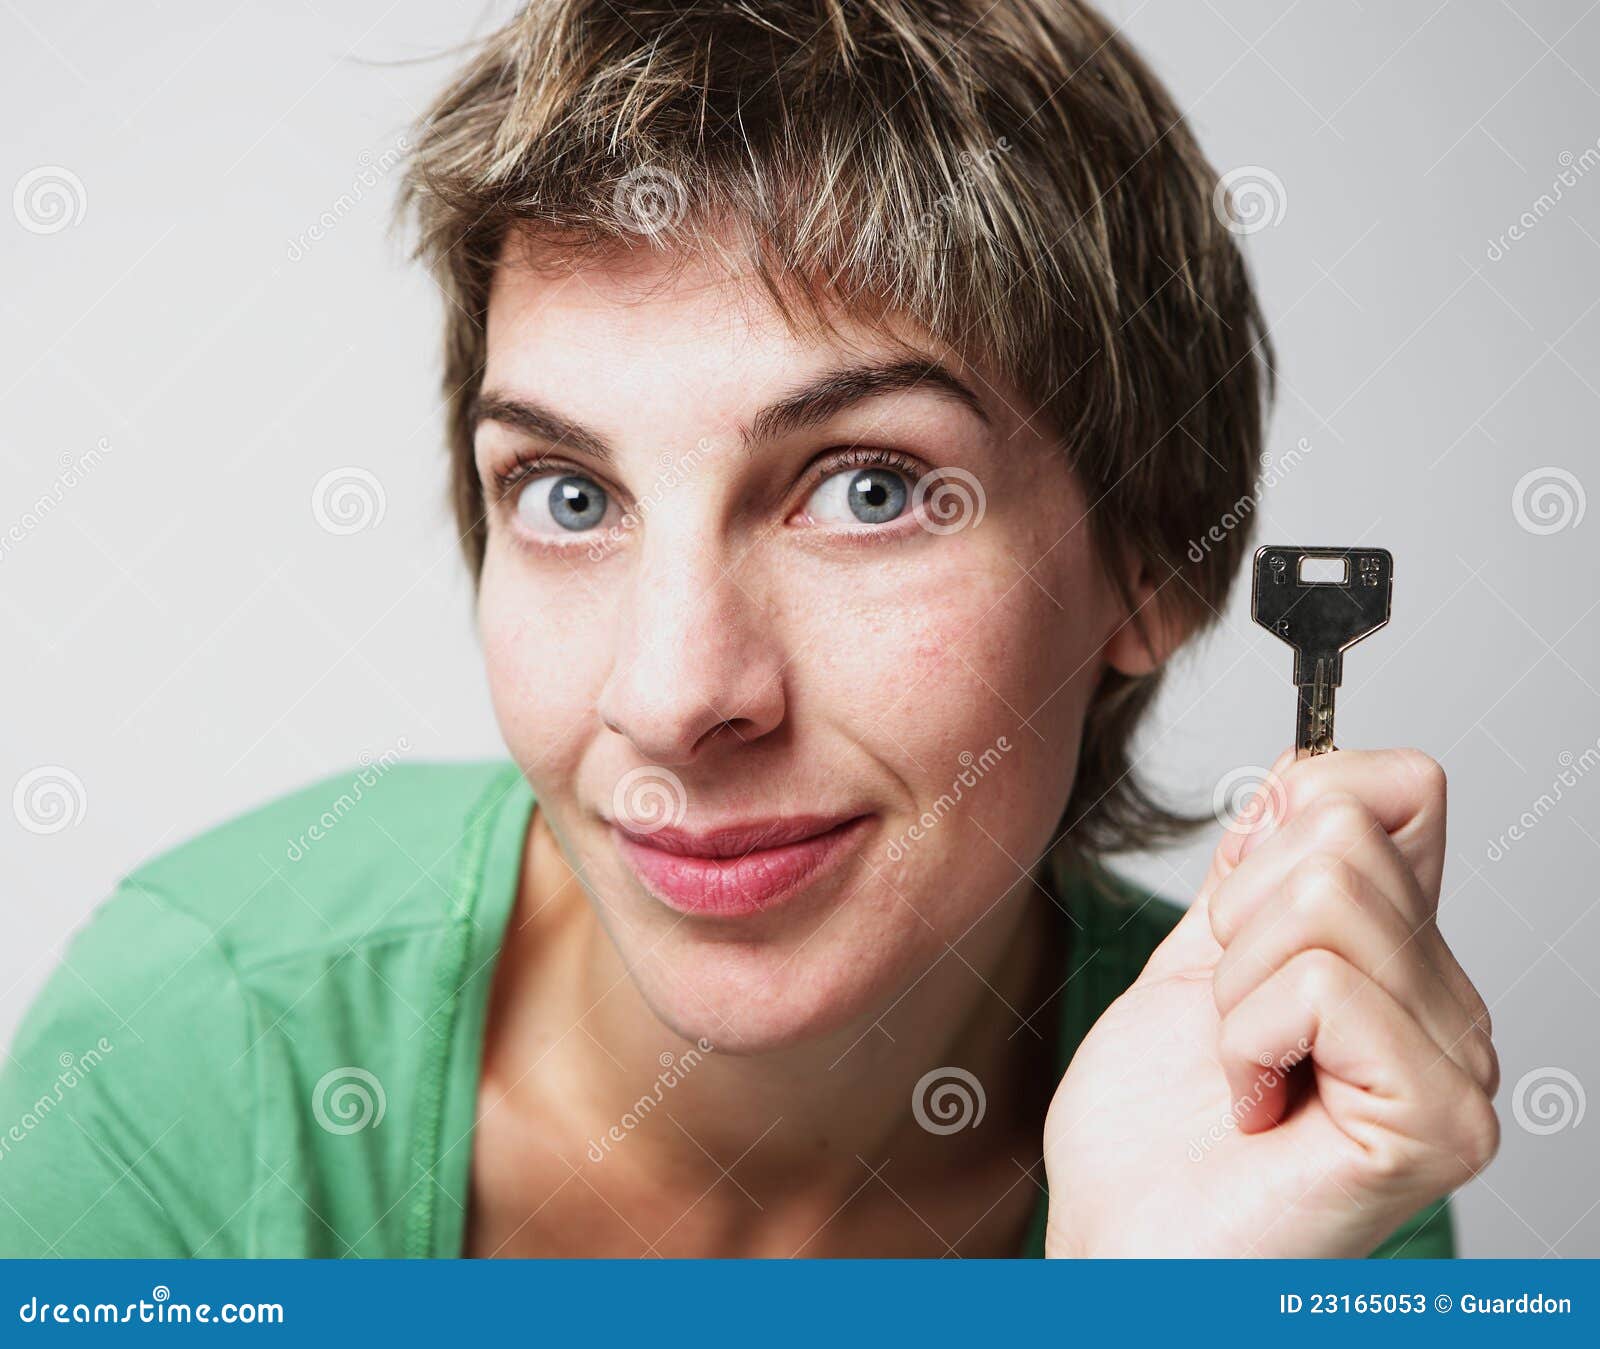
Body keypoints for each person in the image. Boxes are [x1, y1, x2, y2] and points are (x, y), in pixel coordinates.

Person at [0, 0, 1496, 1258]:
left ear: (1154, 558)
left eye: (869, 489)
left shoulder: (1289, 1141)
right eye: (570, 496)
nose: (671, 697)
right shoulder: (193, 1049)